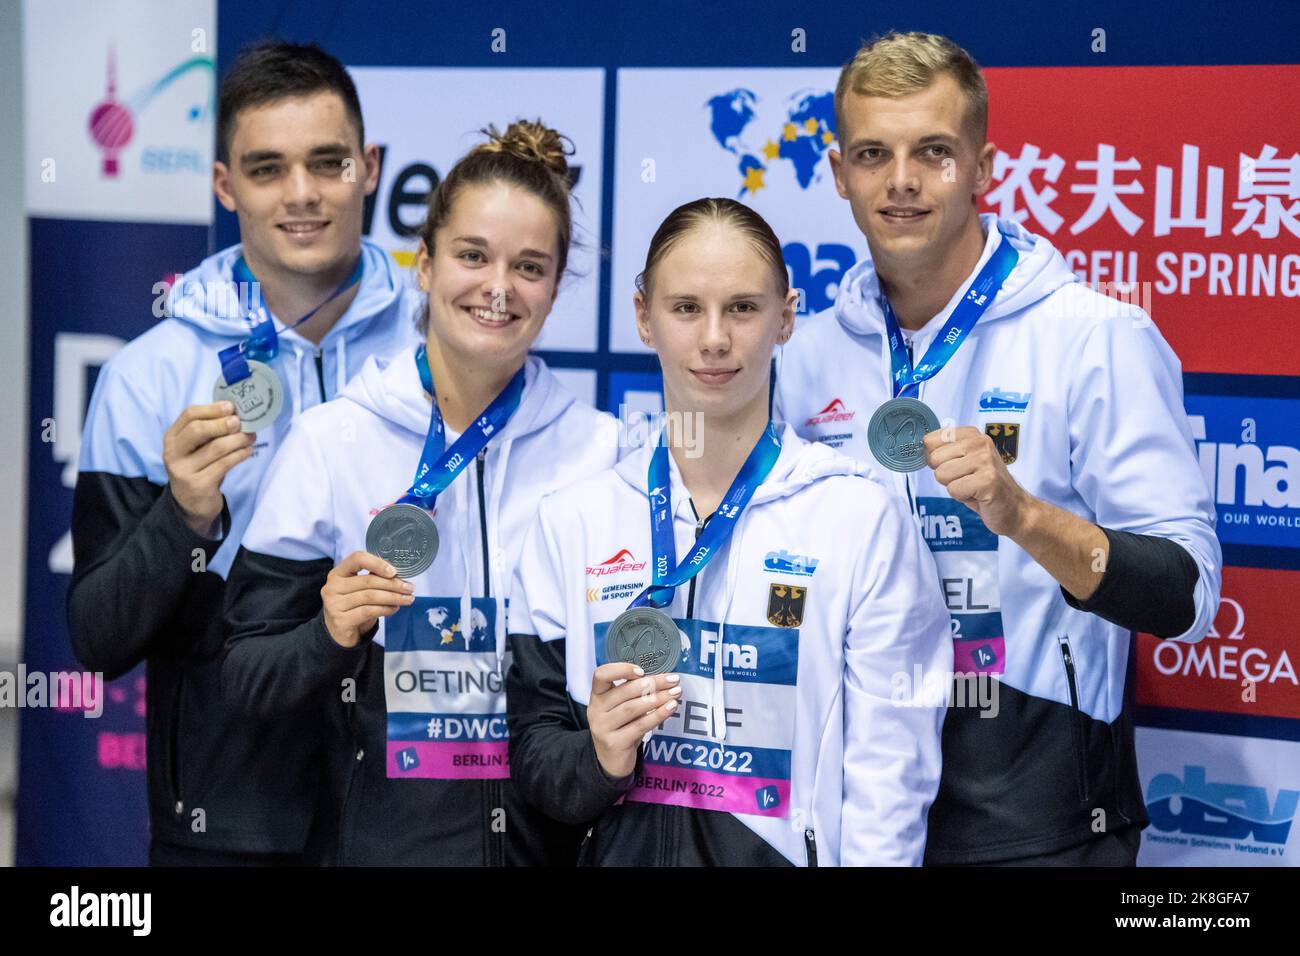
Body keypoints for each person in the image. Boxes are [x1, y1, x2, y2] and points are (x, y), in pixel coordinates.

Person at [775, 31, 1221, 866]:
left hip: (1039, 820)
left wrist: (1021, 515)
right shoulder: (803, 356)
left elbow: (1187, 597)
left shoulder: (1096, 337)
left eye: (933, 153)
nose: (901, 180)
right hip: (852, 810)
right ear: (839, 174)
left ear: (982, 170)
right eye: (874, 154)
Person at [505, 198, 952, 866]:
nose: (715, 338)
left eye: (743, 308)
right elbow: (538, 759)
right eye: (686, 308)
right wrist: (600, 755)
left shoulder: (859, 518)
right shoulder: (574, 519)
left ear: (786, 318)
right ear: (643, 319)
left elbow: (891, 778)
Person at [222, 120, 619, 866]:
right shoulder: (332, 441)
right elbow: (245, 676)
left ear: (557, 286)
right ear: (425, 264)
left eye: (529, 267)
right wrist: (328, 633)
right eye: (473, 256)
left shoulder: (599, 452)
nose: (499, 289)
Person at [68, 41, 420, 865]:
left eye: (327, 163)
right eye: (267, 169)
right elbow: (97, 637)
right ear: (226, 185)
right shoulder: (148, 376)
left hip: (417, 813)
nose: (301, 195)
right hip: (229, 824)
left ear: (368, 168)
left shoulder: (438, 349)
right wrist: (183, 515)